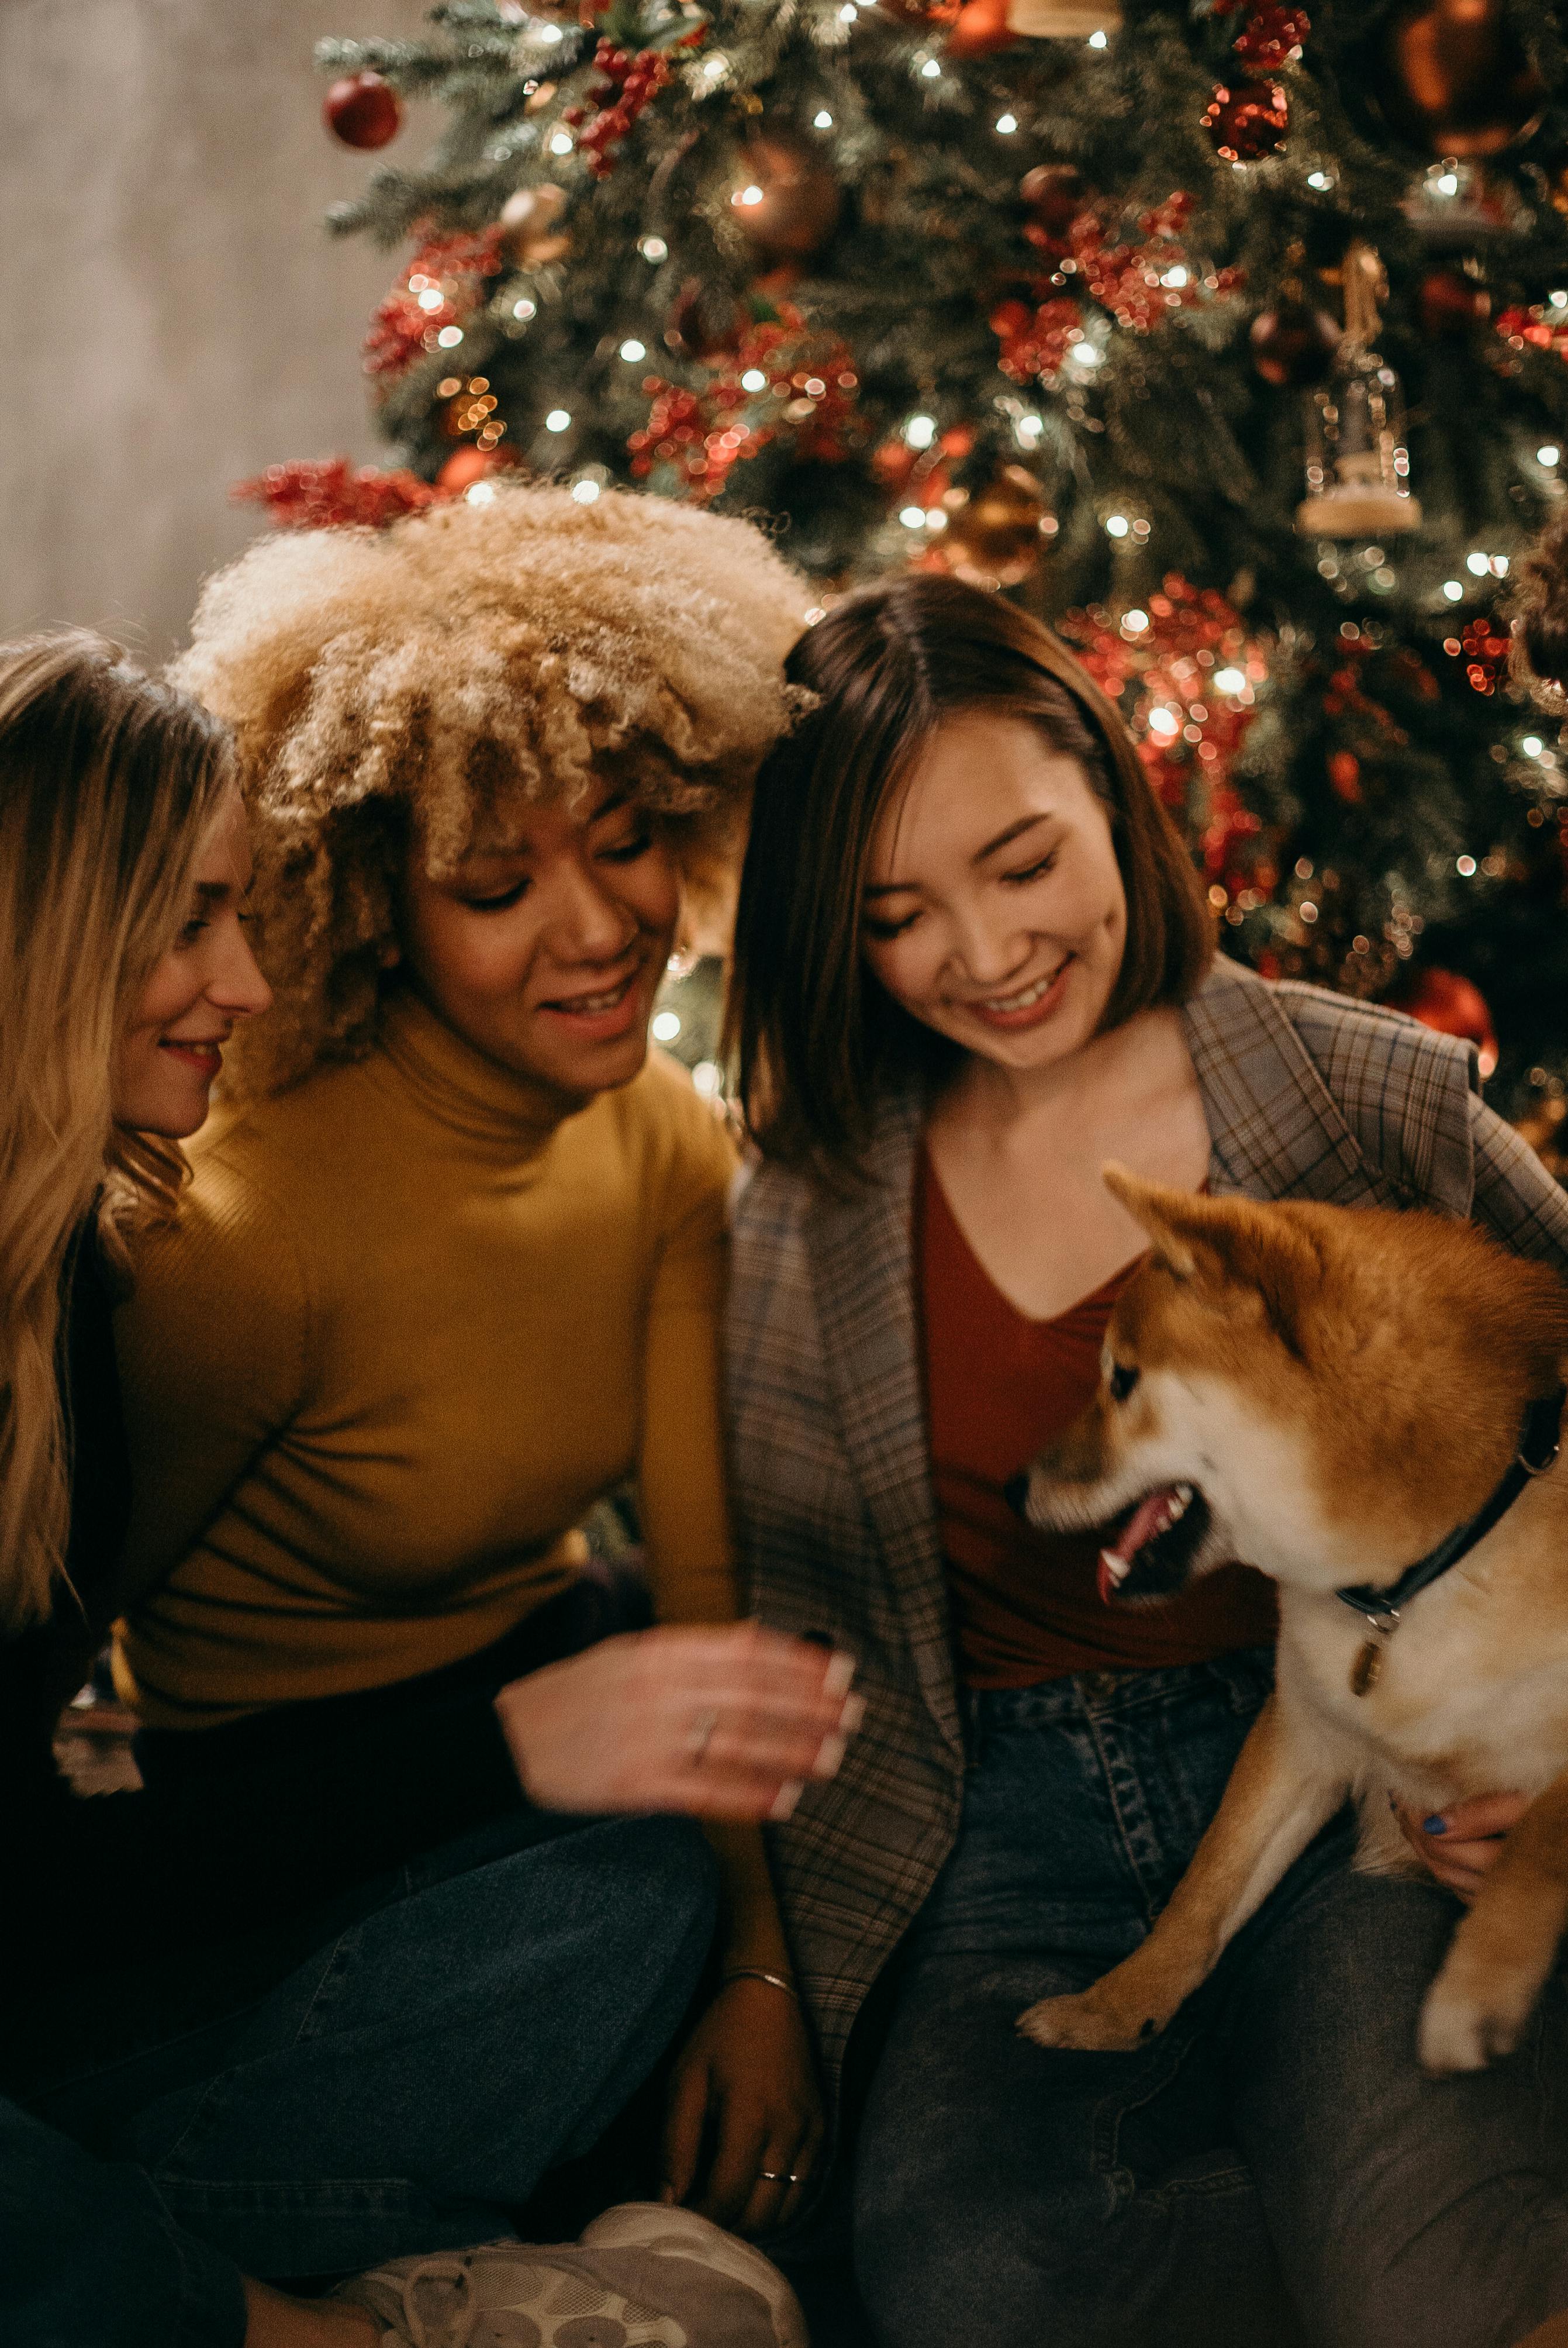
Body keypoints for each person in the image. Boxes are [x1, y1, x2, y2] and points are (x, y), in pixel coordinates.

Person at [723, 572, 1568, 2348]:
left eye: (1022, 861)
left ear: (1114, 792)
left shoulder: (1361, 1101)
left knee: (1436, 2281)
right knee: (981, 2294)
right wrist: (763, 1974)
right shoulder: (804, 1212)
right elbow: (778, 1632)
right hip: (994, 1845)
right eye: (896, 913)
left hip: (1373, 1808)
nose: (983, 950)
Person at [0, 625, 834, 2348]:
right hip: (215, 1822)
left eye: (626, 843)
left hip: (253, 1833)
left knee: (651, 1879)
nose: (238, 983)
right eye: (185, 921)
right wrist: (516, 1752)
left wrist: (759, 1970)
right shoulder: (223, 1238)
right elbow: (71, 1805)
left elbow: (698, 1586)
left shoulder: (68, 1262)